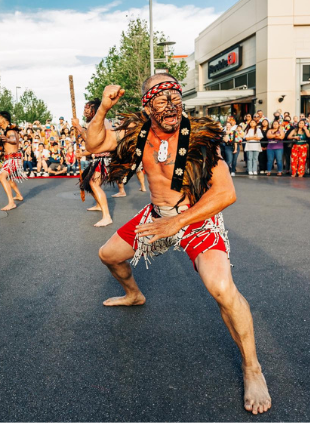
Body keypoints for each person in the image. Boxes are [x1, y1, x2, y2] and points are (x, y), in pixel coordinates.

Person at [83, 75, 271, 414]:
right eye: (161, 98)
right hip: (156, 215)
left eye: (175, 95)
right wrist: (103, 109)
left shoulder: (198, 138)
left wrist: (178, 221)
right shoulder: (138, 134)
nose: (171, 104)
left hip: (195, 219)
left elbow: (226, 192)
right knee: (108, 255)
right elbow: (94, 144)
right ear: (147, 105)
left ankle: (253, 368)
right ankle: (134, 294)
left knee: (222, 288)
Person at [72, 100, 114, 227]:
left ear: (94, 110)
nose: (85, 111)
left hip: (104, 158)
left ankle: (107, 217)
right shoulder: (93, 123)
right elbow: (92, 145)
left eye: (87, 109)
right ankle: (98, 205)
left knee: (94, 183)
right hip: (98, 158)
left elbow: (92, 141)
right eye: (84, 108)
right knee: (86, 182)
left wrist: (78, 127)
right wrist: (83, 153)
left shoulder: (101, 122)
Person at [0, 111, 25, 210]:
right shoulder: (10, 131)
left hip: (13, 160)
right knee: (10, 180)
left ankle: (11, 203)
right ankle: (19, 195)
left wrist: (7, 140)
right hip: (12, 159)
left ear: (3, 119)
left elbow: (13, 140)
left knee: (2, 177)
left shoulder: (10, 132)